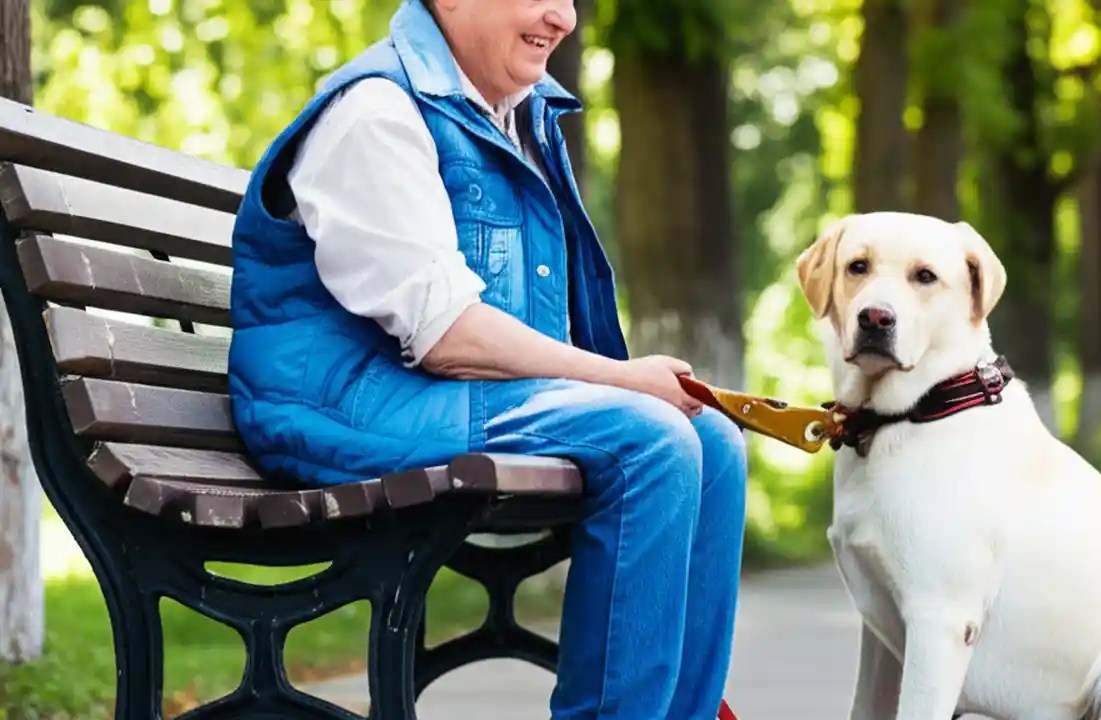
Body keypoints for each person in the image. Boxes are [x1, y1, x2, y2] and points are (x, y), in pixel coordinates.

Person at [225, 0, 749, 717]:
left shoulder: (513, 115)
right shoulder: (375, 113)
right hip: (340, 404)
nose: (562, 17)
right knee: (649, 441)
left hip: (430, 395)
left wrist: (642, 386)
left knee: (712, 439)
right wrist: (627, 382)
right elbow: (448, 336)